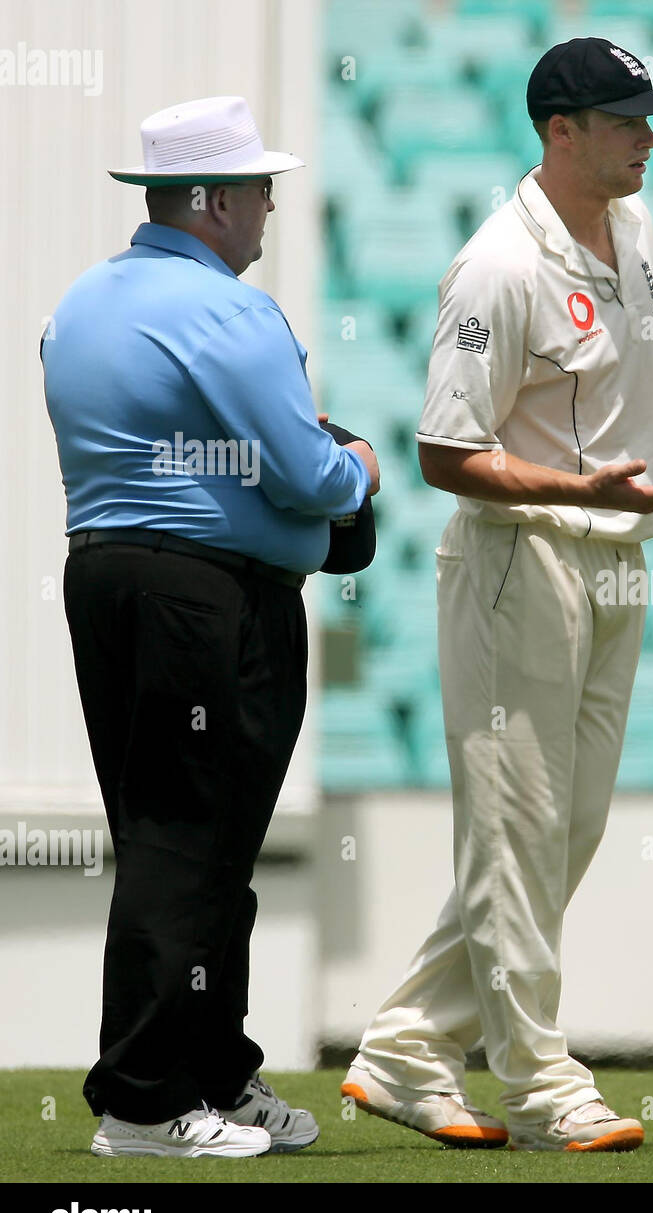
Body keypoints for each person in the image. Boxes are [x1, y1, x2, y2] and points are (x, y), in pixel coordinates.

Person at [342, 37, 653, 1152]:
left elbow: (634, 387)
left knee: (566, 829)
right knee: (517, 830)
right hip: (521, 556)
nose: (648, 139)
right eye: (625, 121)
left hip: (615, 552)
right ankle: (541, 1081)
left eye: (646, 118)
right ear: (559, 132)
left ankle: (408, 1047)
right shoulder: (497, 268)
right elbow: (439, 451)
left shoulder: (632, 227)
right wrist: (575, 486)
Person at [43, 96, 381, 1158]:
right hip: (208, 602)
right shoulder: (231, 312)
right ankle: (145, 1099)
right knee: (192, 848)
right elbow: (311, 476)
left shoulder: (81, 302)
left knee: (186, 843)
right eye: (260, 188)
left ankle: (208, 1073)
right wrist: (360, 465)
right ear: (217, 201)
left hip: (108, 582)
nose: (272, 206)